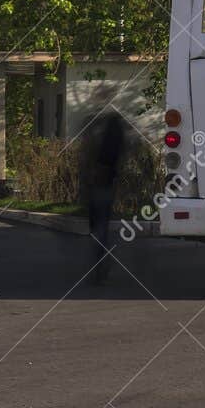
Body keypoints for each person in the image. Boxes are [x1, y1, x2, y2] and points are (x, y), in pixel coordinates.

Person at [80, 109, 128, 286]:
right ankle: (101, 263)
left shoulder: (101, 132)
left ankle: (101, 264)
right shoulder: (111, 132)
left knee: (98, 227)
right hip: (104, 183)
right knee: (101, 226)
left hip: (99, 183)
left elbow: (88, 158)